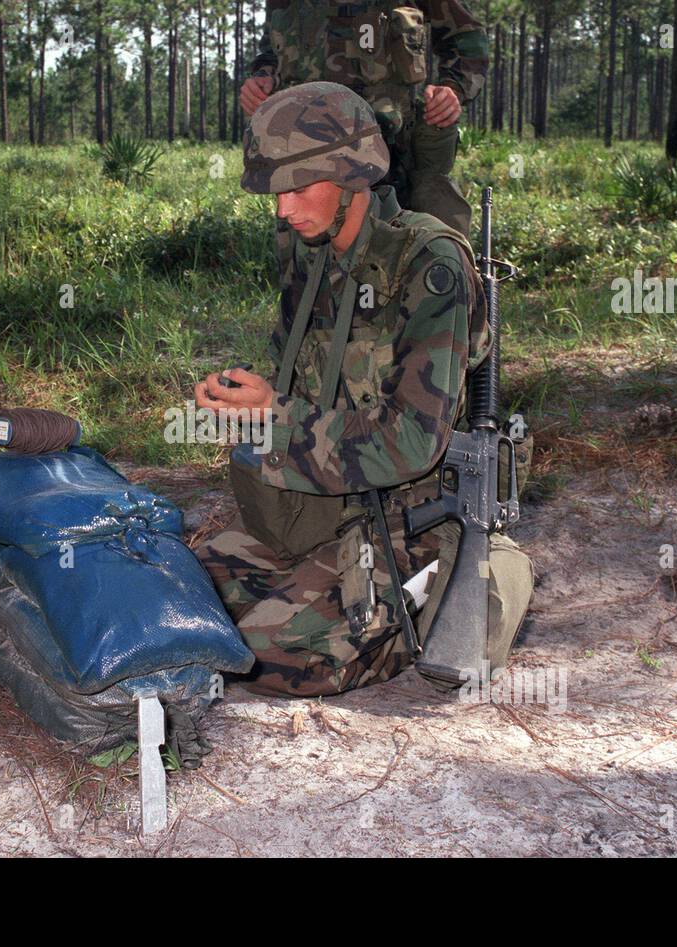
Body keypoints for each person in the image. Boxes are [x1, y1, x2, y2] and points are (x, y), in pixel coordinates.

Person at [194, 81, 531, 698]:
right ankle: (328, 593)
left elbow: (413, 443)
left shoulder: (429, 265)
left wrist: (277, 415)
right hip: (321, 503)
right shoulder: (310, 250)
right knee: (180, 591)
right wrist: (249, 402)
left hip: (411, 516)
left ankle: (418, 605)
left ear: (353, 174)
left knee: (270, 654)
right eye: (275, 191)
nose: (284, 209)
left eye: (299, 188)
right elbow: (303, 379)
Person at [239, 0, 488, 237]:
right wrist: (263, 78)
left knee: (410, 246)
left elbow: (466, 35)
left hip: (391, 152)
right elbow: (272, 50)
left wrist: (453, 88)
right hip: (306, 153)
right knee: (313, 257)